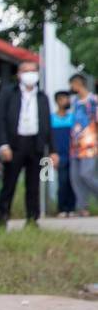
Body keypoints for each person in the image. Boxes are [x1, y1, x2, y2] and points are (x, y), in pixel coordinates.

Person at [0, 60, 57, 227]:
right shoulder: (9, 93)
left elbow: (47, 124)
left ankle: (32, 219)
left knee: (33, 185)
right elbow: (0, 119)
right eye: (26, 71)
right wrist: (3, 144)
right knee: (9, 183)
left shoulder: (42, 97)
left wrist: (52, 150)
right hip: (14, 144)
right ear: (19, 74)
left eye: (33, 71)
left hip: (35, 144)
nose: (30, 74)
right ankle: (2, 218)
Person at [70, 72, 98, 215]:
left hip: (89, 144)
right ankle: (82, 207)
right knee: (76, 177)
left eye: (72, 85)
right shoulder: (74, 102)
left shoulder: (94, 100)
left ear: (78, 84)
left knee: (86, 174)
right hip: (74, 145)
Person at [51, 90, 76, 217]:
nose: (67, 101)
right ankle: (62, 208)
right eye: (64, 99)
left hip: (73, 154)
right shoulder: (52, 119)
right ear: (58, 101)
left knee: (72, 181)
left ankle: (72, 208)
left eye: (68, 98)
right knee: (62, 181)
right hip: (59, 155)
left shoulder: (72, 117)